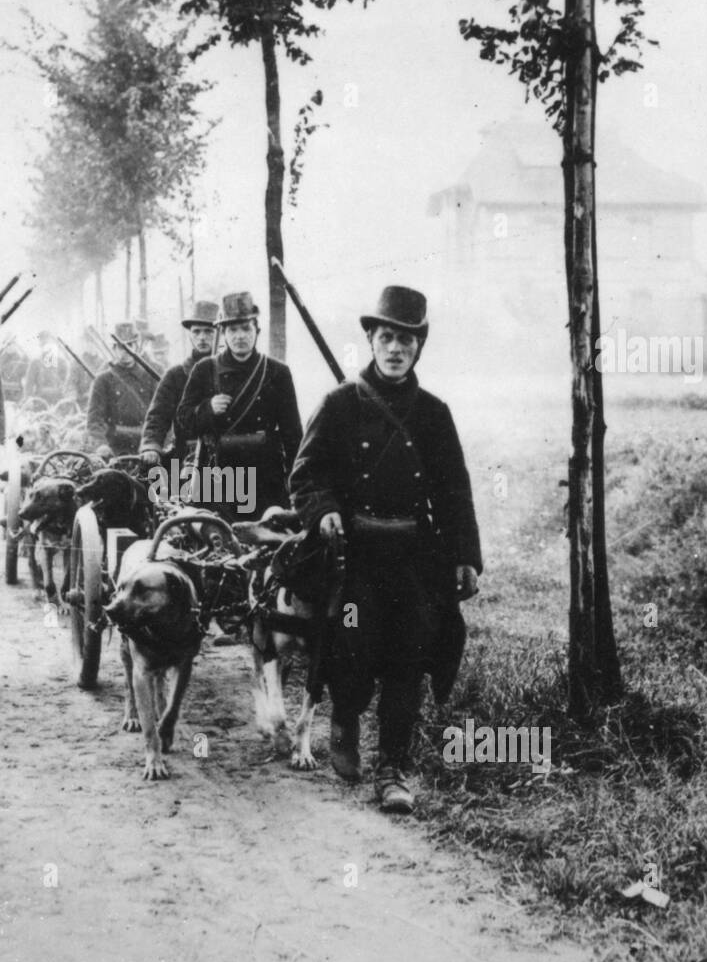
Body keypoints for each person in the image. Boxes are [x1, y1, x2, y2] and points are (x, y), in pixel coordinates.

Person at [289, 286, 482, 814]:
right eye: (387, 337)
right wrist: (323, 508)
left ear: (419, 347)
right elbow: (306, 473)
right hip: (355, 557)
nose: (395, 349)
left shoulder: (434, 414)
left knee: (409, 656)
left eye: (406, 340)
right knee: (353, 644)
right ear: (370, 340)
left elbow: (453, 490)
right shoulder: (340, 405)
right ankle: (346, 721)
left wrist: (464, 554)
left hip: (414, 559)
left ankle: (393, 769)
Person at [176, 291, 302, 521]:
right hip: (215, 477)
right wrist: (207, 409)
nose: (240, 336)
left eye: (246, 328)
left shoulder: (277, 372)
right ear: (223, 334)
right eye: (233, 330)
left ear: (257, 331)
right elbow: (184, 421)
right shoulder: (204, 370)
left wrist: (296, 486)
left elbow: (292, 433)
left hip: (265, 479)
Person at [140, 301, 218, 471]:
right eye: (196, 332)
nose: (202, 337)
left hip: (228, 454)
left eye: (209, 331)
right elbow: (158, 415)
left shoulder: (234, 372)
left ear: (220, 333)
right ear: (190, 335)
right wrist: (151, 445)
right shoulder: (175, 375)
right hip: (186, 456)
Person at [86, 322, 158, 456]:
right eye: (120, 347)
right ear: (114, 349)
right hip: (113, 448)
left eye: (129, 345)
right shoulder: (103, 380)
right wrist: (101, 445)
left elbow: (162, 416)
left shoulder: (151, 378)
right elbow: (95, 420)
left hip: (146, 446)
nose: (125, 351)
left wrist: (154, 446)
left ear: (136, 347)